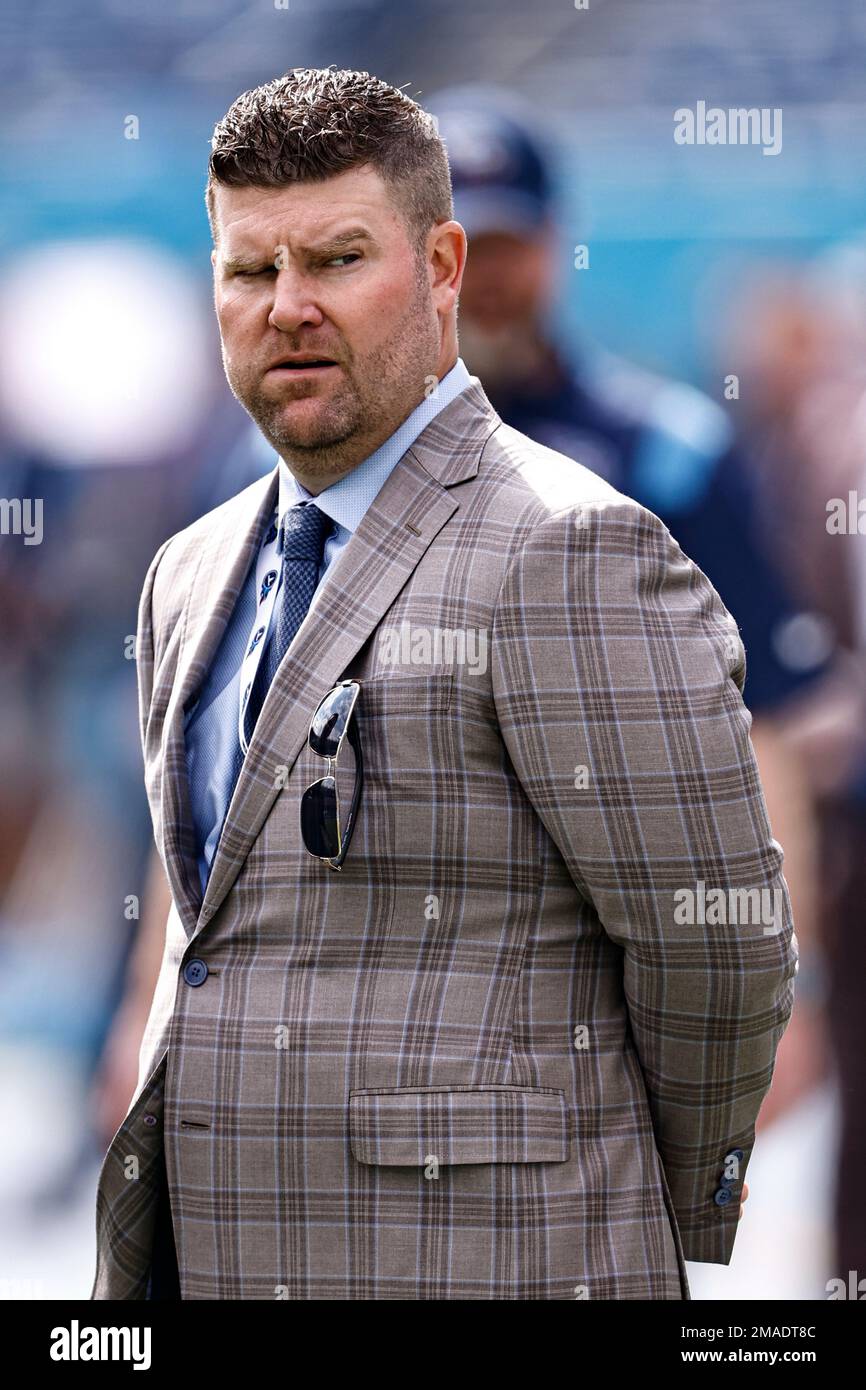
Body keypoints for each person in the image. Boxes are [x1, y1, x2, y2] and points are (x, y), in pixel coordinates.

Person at [91, 65, 795, 1302]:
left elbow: (714, 940)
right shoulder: (188, 572)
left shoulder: (573, 545)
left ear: (438, 267)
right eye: (250, 270)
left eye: (337, 259)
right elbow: (214, 903)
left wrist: (633, 1204)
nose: (288, 306)